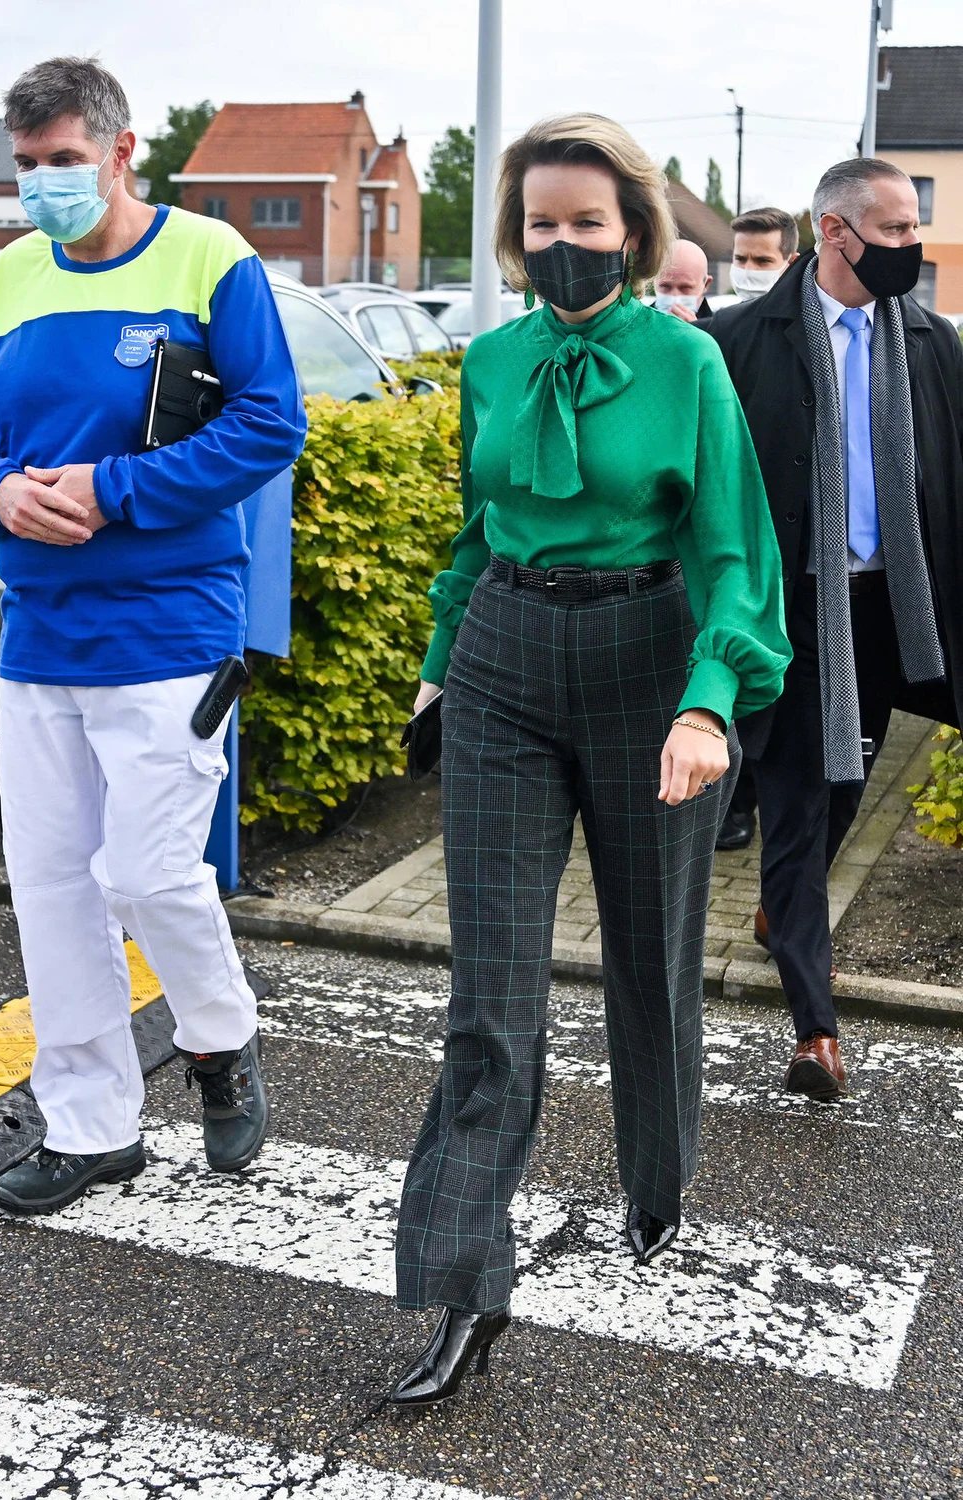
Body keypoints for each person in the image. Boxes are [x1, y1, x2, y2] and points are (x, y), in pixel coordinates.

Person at [389, 112, 790, 1408]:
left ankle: (654, 1183)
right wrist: (439, 662)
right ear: (517, 236)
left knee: (651, 958)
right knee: (489, 992)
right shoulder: (491, 359)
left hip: (646, 662)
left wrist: (709, 702)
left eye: (587, 222)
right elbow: (477, 528)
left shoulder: (687, 361)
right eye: (541, 224)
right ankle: (462, 1282)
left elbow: (732, 548)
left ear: (633, 232)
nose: (562, 242)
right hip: (502, 661)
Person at [0, 57, 306, 1214]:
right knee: (55, 892)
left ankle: (218, 1036)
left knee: (153, 875)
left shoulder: (210, 257)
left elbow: (269, 422)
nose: (41, 184)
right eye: (27, 165)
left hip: (170, 627)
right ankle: (91, 1130)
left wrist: (113, 491)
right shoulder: (5, 280)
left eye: (63, 160)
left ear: (120, 153)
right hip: (40, 637)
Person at [708, 158, 963, 1101]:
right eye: (895, 230)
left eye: (913, 229)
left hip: (892, 611)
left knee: (846, 790)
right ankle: (815, 1028)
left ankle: (786, 913)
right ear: (833, 231)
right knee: (798, 806)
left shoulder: (931, 341)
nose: (911, 246)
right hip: (793, 610)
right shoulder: (740, 342)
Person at [716, 207, 800, 851]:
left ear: (790, 262)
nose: (746, 271)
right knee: (733, 665)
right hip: (729, 536)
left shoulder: (807, 337)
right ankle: (731, 802)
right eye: (740, 259)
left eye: (761, 261)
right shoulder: (719, 333)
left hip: (789, 537)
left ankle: (760, 798)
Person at [729, 207, 801, 302]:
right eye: (740, 259)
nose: (748, 269)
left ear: (792, 263)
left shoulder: (810, 310)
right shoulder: (722, 310)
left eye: (762, 261)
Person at [653, 237, 713, 322]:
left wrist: (696, 328)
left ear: (706, 284)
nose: (674, 296)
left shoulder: (720, 328)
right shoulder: (637, 324)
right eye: (665, 286)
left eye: (685, 287)